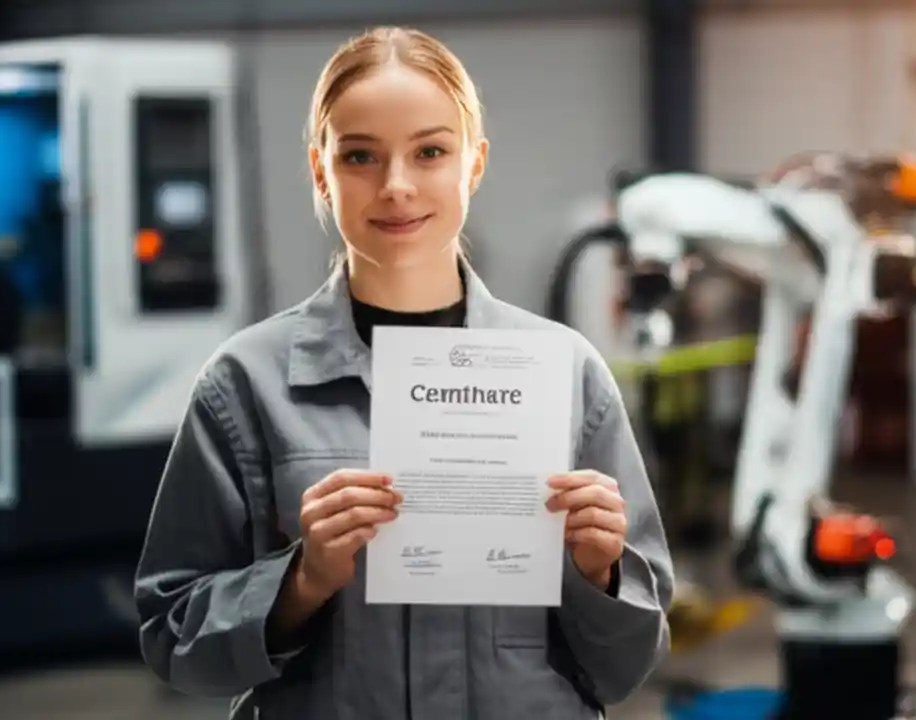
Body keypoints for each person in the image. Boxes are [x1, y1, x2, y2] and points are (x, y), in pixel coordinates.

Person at [134, 25, 674, 719]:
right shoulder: (247, 385)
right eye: (360, 155)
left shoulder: (567, 377)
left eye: (430, 152)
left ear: (473, 166)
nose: (396, 186)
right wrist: (300, 581)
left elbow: (629, 661)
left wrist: (599, 574)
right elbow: (170, 632)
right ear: (320, 170)